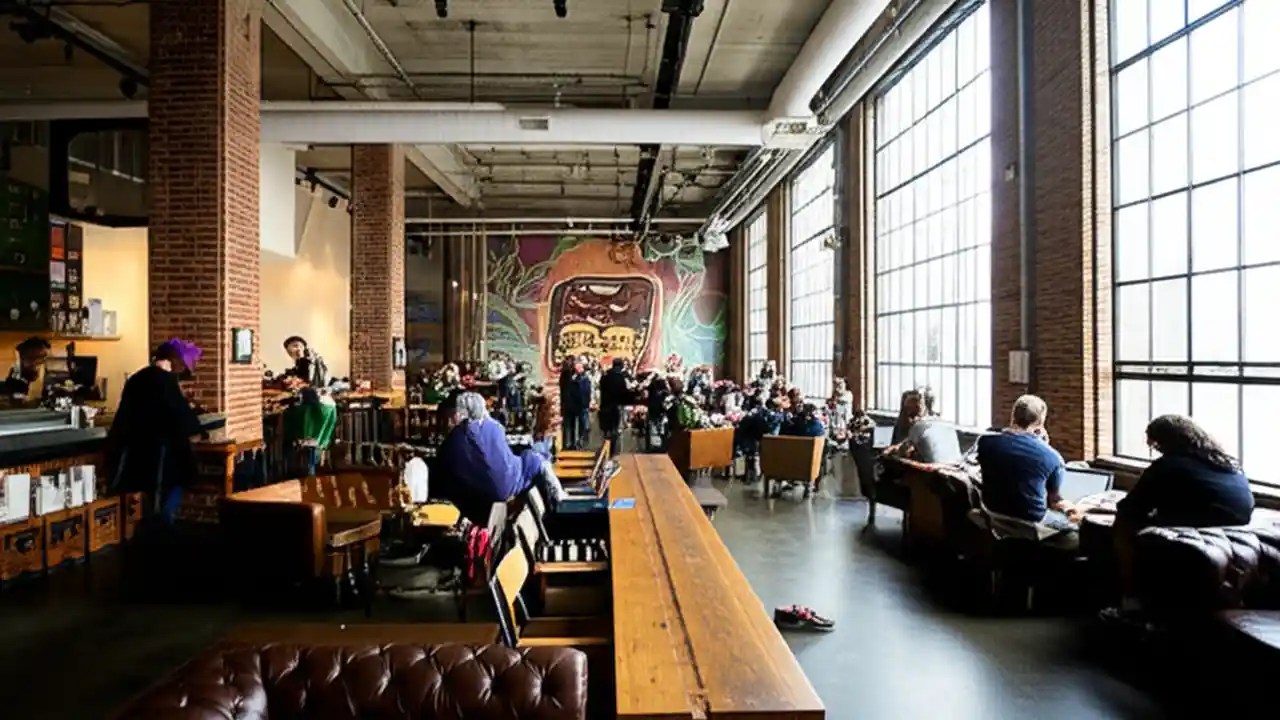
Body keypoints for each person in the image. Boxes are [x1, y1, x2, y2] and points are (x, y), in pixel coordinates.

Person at [1107, 415, 1254, 617]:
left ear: (1165, 441)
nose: (1155, 449)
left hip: (1196, 526)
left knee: (1124, 524)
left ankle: (1131, 599)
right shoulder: (1228, 462)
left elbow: (1131, 507)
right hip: (1237, 525)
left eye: (1156, 444)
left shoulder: (1167, 465)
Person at [107, 340, 205, 525]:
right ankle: (163, 536)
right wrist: (196, 429)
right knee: (167, 500)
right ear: (175, 361)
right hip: (165, 452)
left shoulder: (136, 379)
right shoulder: (166, 381)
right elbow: (180, 416)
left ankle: (150, 533)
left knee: (148, 500)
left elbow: (124, 415)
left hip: (137, 451)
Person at [435, 392, 566, 525]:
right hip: (506, 488)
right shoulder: (492, 426)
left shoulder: (451, 442)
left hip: (475, 503)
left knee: (537, 452)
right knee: (536, 457)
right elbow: (504, 452)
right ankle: (558, 499)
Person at [977, 395, 1074, 531]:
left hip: (993, 515)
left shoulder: (985, 443)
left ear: (1013, 416)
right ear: (1041, 422)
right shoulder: (1052, 457)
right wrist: (1042, 444)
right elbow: (1054, 501)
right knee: (1075, 529)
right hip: (1031, 523)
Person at [885, 387, 962, 465]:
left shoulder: (920, 426)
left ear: (927, 409)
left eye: (915, 414)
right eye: (906, 412)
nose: (911, 419)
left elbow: (899, 451)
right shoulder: (947, 424)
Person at [598, 358, 634, 457]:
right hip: (616, 408)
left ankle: (605, 451)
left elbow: (601, 388)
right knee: (616, 431)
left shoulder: (605, 376)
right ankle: (614, 452)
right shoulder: (620, 377)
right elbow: (623, 393)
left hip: (605, 406)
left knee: (606, 432)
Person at [1, 336, 51, 403]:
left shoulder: (42, 372)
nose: (39, 362)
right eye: (34, 358)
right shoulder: (16, 374)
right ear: (23, 357)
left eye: (43, 357)